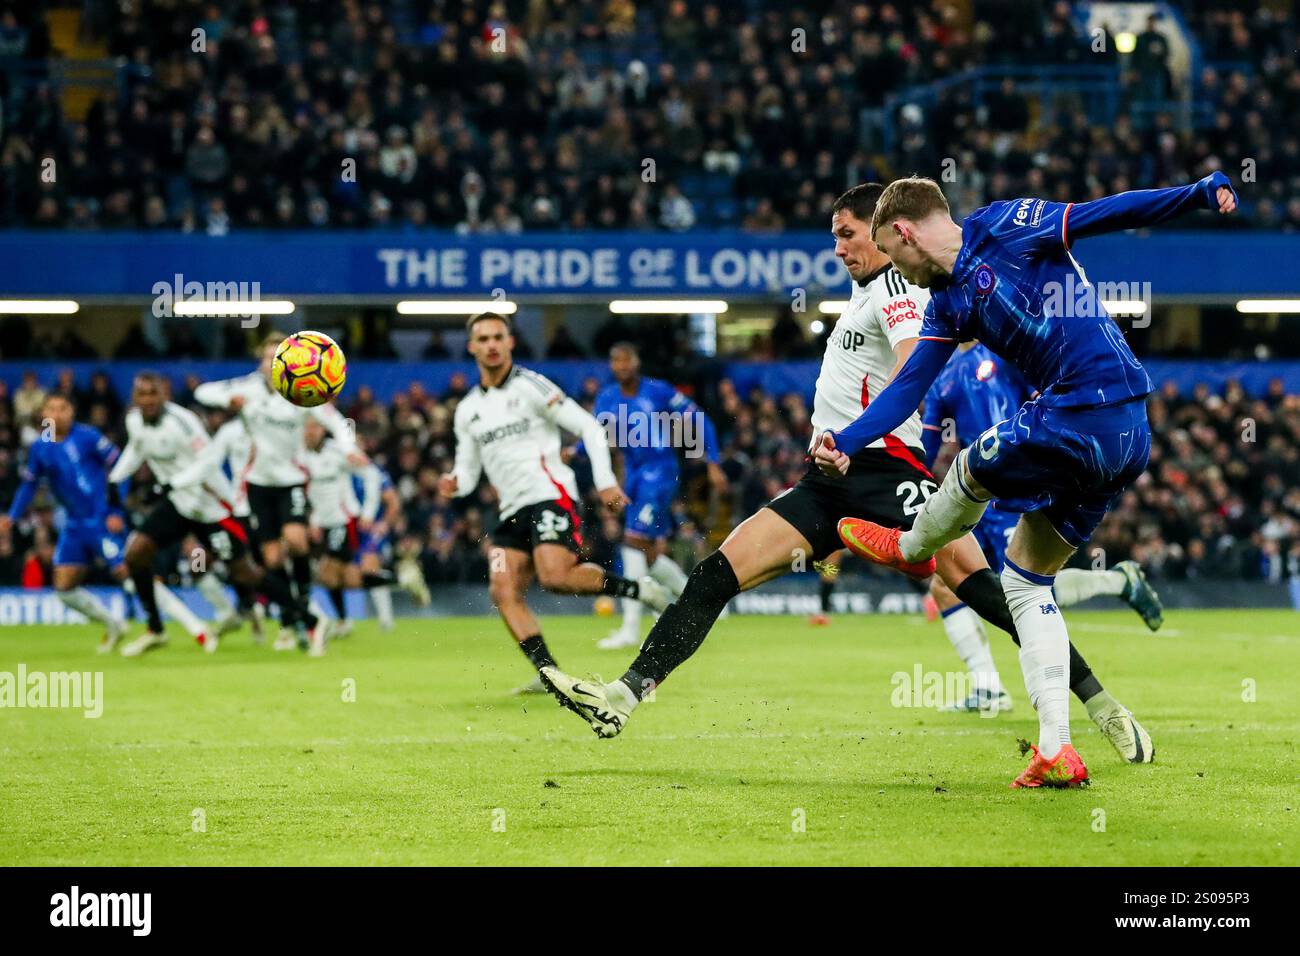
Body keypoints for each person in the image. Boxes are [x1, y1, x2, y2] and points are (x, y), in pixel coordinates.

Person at [540, 184, 1146, 765]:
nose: (838, 247)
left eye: (847, 233)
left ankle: (1101, 705)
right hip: (826, 481)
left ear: (886, 237)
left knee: (989, 591)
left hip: (885, 470)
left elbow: (916, 362)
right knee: (715, 574)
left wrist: (867, 426)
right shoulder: (862, 295)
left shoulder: (895, 291)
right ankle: (622, 696)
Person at [819, 171, 1238, 787]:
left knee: (969, 468)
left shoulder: (1009, 225)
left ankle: (910, 545)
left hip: (1082, 410)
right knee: (1023, 579)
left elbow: (1107, 211)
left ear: (904, 232)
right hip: (1127, 436)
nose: (896, 271)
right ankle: (1056, 751)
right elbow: (909, 386)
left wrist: (1197, 193)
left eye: (893, 253)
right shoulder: (949, 302)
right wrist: (849, 441)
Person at [438, 312, 672, 691]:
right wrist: (455, 483)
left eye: (498, 336)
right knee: (503, 591)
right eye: (483, 339)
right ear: (472, 347)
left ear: (511, 342)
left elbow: (588, 426)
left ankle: (641, 590)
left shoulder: (531, 386)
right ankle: (549, 675)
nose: (492, 345)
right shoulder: (467, 410)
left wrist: (605, 482)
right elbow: (467, 469)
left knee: (555, 577)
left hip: (551, 496)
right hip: (511, 511)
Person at [110, 372, 327, 656]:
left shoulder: (184, 422)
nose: (148, 400)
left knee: (245, 573)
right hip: (179, 504)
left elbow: (208, 464)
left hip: (212, 507)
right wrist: (114, 478)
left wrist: (167, 486)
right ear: (134, 397)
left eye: (154, 394)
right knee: (136, 554)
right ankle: (155, 629)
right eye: (142, 394)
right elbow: (137, 449)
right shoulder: (134, 420)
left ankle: (310, 619)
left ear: (165, 395)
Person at [193, 336, 361, 651]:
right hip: (257, 485)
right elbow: (202, 391)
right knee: (270, 559)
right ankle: (294, 619)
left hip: (292, 481)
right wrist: (227, 401)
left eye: (279, 358)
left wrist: (349, 447)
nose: (273, 364)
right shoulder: (247, 389)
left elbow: (338, 423)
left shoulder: (302, 391)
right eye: (268, 358)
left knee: (297, 541)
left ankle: (303, 603)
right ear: (260, 362)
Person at [591, 342, 726, 649]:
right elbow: (596, 438)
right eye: (616, 360)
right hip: (634, 477)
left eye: (628, 359)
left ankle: (632, 628)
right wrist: (575, 452)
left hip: (660, 473)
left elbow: (697, 418)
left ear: (637, 362)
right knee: (649, 553)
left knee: (633, 541)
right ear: (611, 365)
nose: (622, 366)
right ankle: (702, 603)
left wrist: (713, 461)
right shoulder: (607, 398)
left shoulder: (659, 391)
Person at [1, 393, 130, 651]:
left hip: (102, 519)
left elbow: (122, 466)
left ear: (71, 411)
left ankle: (170, 624)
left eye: (62, 408)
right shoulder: (42, 445)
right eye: (51, 409)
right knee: (64, 586)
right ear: (43, 414)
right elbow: (30, 484)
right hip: (74, 525)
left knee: (127, 572)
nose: (57, 414)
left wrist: (117, 508)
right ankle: (114, 623)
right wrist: (11, 517)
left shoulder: (88, 436)